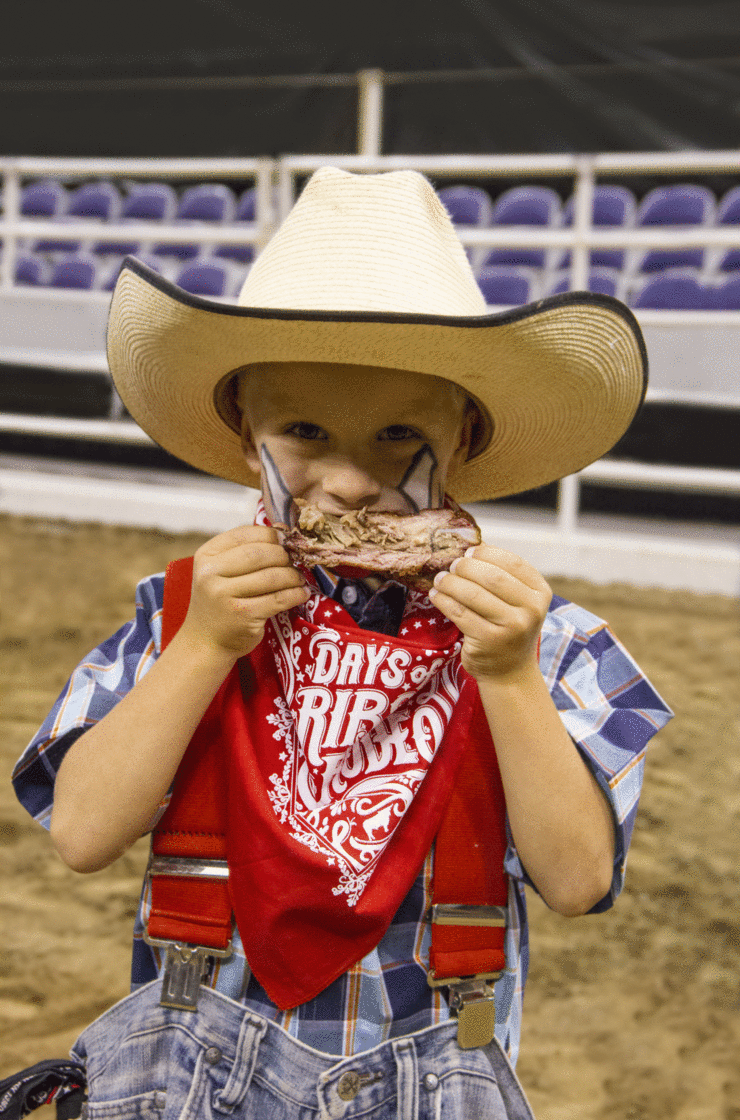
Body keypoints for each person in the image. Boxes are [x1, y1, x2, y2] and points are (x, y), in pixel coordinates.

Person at [12, 166, 672, 1120]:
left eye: (399, 432)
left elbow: (576, 879)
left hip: (430, 1065)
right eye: (305, 430)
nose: (352, 482)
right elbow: (79, 832)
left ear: (467, 436)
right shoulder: (186, 614)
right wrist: (201, 650)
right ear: (248, 435)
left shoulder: (541, 640)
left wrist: (510, 679)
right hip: (194, 1070)